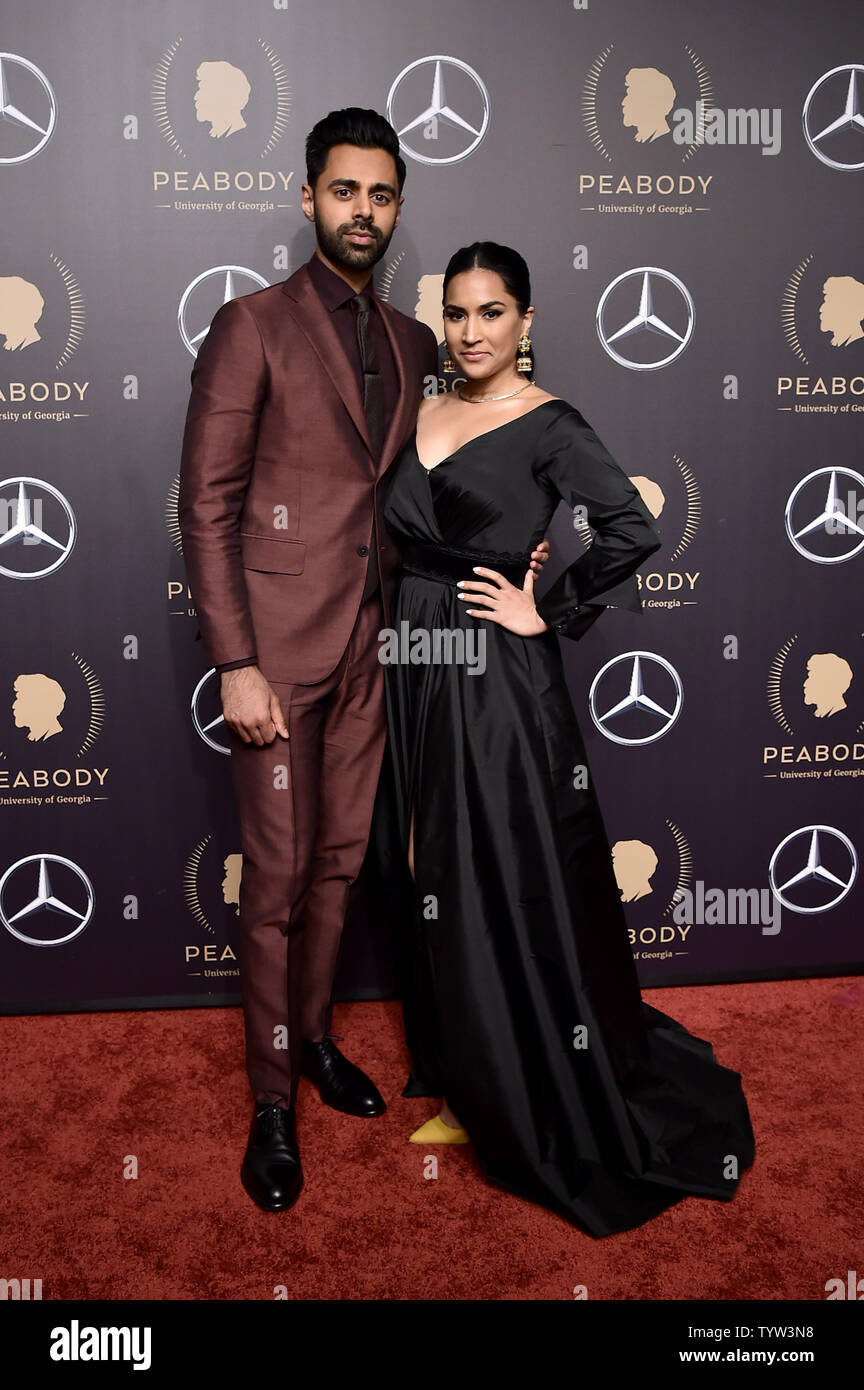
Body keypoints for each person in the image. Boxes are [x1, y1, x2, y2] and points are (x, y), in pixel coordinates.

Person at [178, 110, 551, 1213]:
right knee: (281, 879)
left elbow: (427, 495)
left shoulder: (411, 342)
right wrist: (235, 662)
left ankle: (316, 1043)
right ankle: (271, 1102)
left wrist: (515, 542)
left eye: (382, 196)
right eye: (344, 192)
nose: (363, 213)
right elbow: (207, 507)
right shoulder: (250, 325)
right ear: (309, 200)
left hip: (377, 655)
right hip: (279, 659)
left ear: (397, 207)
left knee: (342, 868)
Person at [380, 241, 756, 1236]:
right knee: (416, 856)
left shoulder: (551, 425)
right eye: (456, 313)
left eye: (491, 313)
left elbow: (631, 527)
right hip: (410, 654)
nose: (469, 332)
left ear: (528, 322)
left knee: (485, 868)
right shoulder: (419, 406)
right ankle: (466, 1056)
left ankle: (509, 1082)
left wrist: (547, 608)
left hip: (492, 677)